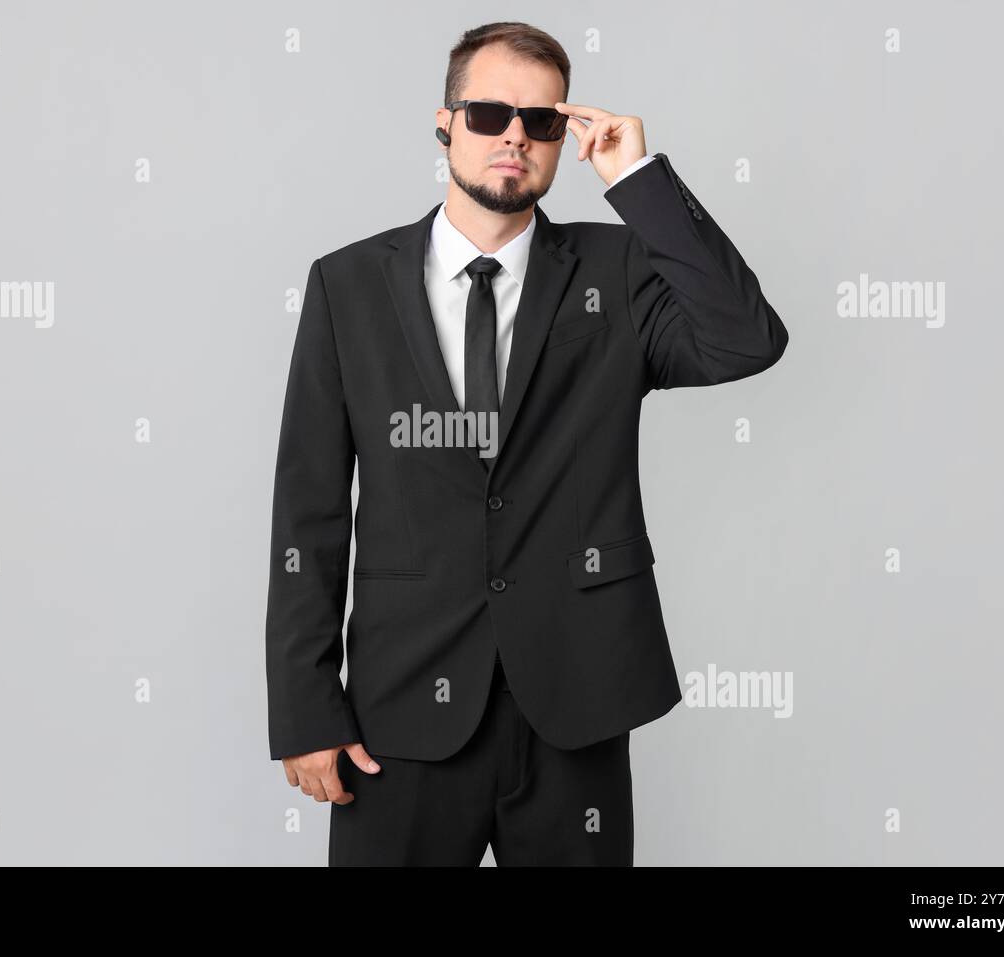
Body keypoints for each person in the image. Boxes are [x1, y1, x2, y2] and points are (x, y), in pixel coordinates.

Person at [265, 21, 789, 866]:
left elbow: (745, 339)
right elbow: (309, 512)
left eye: (542, 121)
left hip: (575, 700)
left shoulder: (614, 270)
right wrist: (304, 706)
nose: (515, 134)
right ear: (444, 124)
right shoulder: (347, 285)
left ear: (561, 141)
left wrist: (639, 181)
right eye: (488, 113)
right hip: (400, 711)